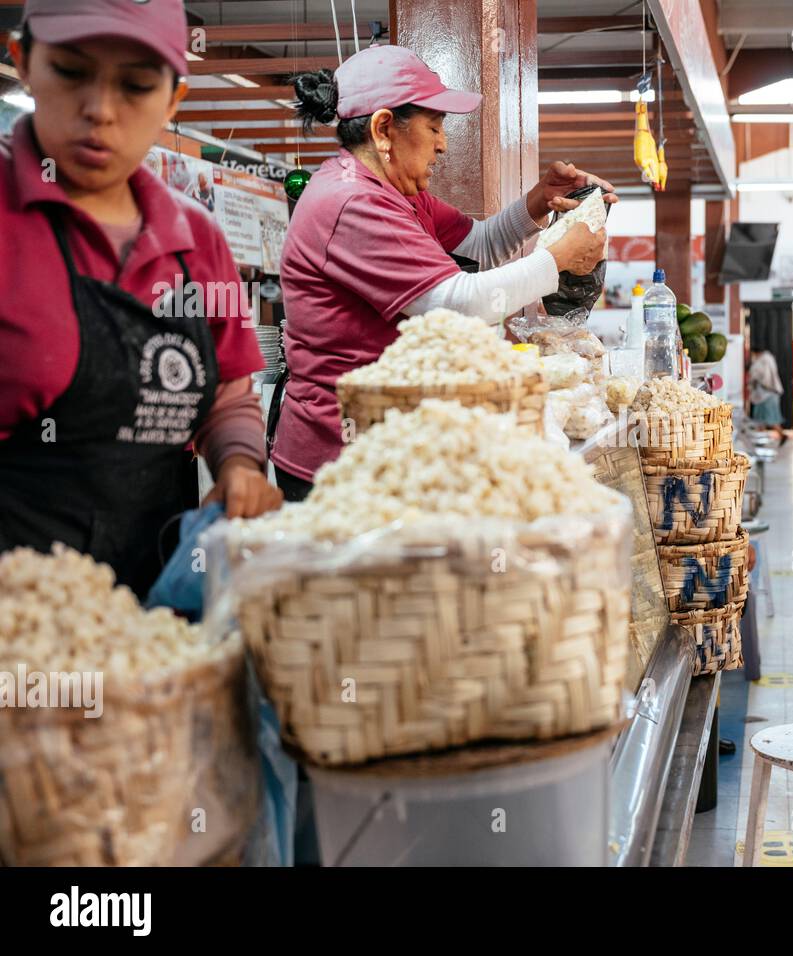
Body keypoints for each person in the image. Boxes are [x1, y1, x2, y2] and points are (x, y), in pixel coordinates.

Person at [0, 0, 282, 599]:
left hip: (153, 608)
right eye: (71, 72)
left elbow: (229, 396)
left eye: (135, 85)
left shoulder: (196, 239)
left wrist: (238, 465)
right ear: (23, 60)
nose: (100, 110)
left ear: (174, 100)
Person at [273, 46, 613, 500]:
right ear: (383, 128)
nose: (442, 144)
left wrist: (537, 202)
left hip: (386, 449)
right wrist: (559, 259)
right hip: (338, 461)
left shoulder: (398, 193)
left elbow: (480, 244)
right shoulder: (354, 202)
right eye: (433, 127)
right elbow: (457, 302)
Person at [747, 345, 785, 445]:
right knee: (760, 420)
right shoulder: (768, 358)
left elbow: (765, 378)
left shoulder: (763, 360)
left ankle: (782, 436)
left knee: (771, 419)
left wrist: (753, 380)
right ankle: (761, 441)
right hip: (765, 395)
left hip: (767, 395)